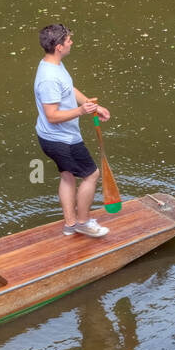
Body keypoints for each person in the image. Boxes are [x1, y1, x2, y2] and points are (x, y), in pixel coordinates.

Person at [34, 24, 112, 237]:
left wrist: (93, 105)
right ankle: (83, 222)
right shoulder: (49, 77)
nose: (71, 43)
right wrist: (80, 111)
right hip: (62, 140)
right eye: (68, 40)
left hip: (53, 138)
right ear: (59, 46)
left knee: (68, 175)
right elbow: (52, 115)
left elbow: (70, 89)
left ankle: (70, 224)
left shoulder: (54, 64)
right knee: (90, 174)